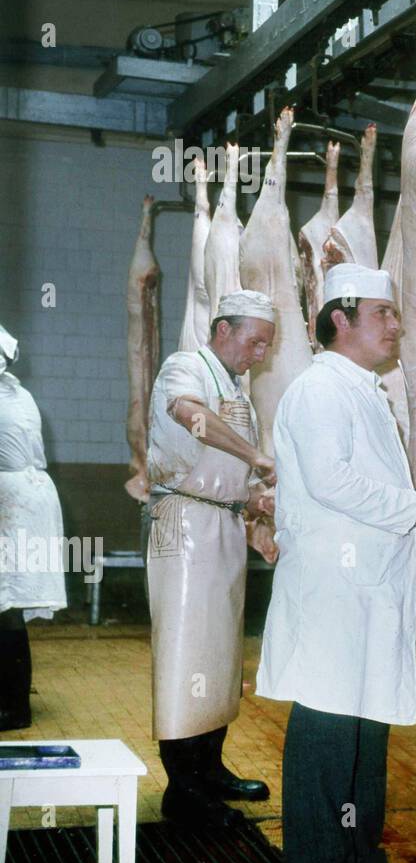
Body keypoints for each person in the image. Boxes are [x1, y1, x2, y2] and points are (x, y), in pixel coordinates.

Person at [256, 263, 416, 863]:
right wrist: (415, 509)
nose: (396, 325)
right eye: (383, 314)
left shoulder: (368, 390)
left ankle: (358, 856)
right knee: (327, 729)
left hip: (368, 588)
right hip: (332, 588)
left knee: (367, 728)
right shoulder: (319, 390)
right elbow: (330, 481)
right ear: (340, 319)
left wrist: (414, 511)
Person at [146, 291, 278, 826]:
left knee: (219, 656)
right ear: (223, 329)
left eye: (267, 345)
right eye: (254, 341)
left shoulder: (235, 386)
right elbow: (190, 420)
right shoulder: (186, 367)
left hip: (221, 523)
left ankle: (210, 769)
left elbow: (221, 473)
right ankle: (182, 790)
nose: (260, 354)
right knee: (186, 656)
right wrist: (255, 456)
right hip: (185, 524)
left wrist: (255, 499)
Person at [0, 325, 67, 731]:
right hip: (26, 499)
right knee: (8, 608)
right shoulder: (16, 392)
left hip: (15, 504)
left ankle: (12, 707)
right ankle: (12, 702)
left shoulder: (7, 399)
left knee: (6, 606)